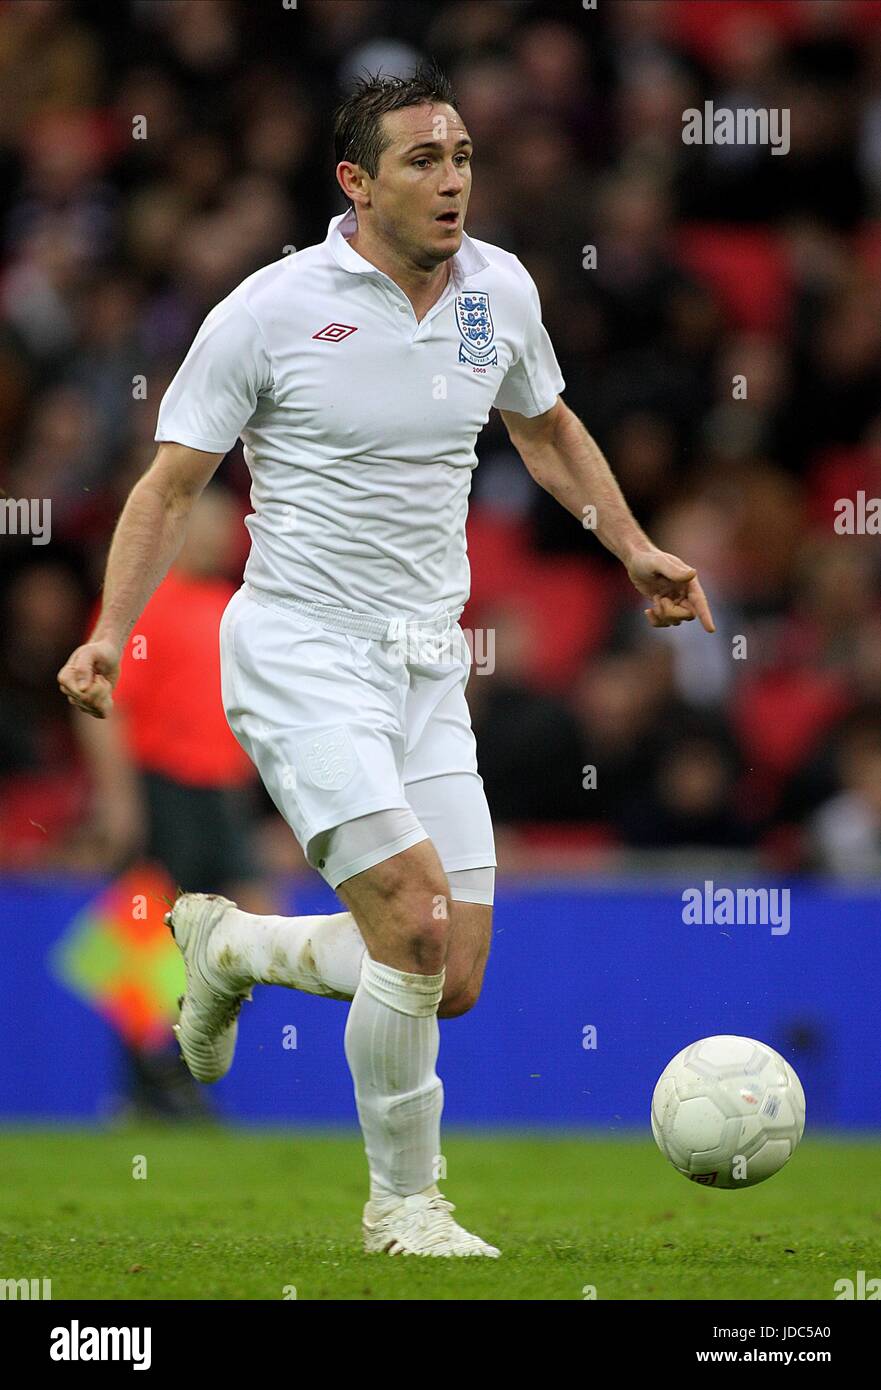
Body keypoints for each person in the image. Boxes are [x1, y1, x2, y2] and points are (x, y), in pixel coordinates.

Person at [58, 65, 714, 1258]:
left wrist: (629, 545)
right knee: (410, 920)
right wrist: (111, 631)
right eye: (423, 159)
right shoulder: (266, 310)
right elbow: (169, 487)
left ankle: (234, 944)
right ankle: (404, 1205)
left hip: (425, 665)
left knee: (448, 971)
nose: (453, 177)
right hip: (302, 651)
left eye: (461, 155)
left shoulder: (501, 292)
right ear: (356, 184)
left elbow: (545, 423)